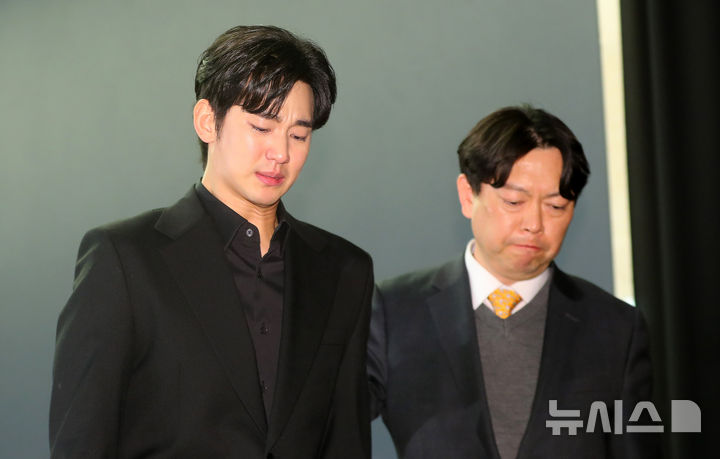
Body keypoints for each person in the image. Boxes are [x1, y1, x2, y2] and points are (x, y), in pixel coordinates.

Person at [50, 25, 373, 458]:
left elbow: (346, 440)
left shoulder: (344, 270)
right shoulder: (125, 260)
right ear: (207, 121)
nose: (281, 153)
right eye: (262, 126)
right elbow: (82, 442)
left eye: (298, 135)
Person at [368, 105, 655, 458]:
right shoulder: (393, 311)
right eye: (514, 201)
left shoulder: (616, 328)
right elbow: (328, 428)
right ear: (468, 195)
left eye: (555, 206)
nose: (534, 223)